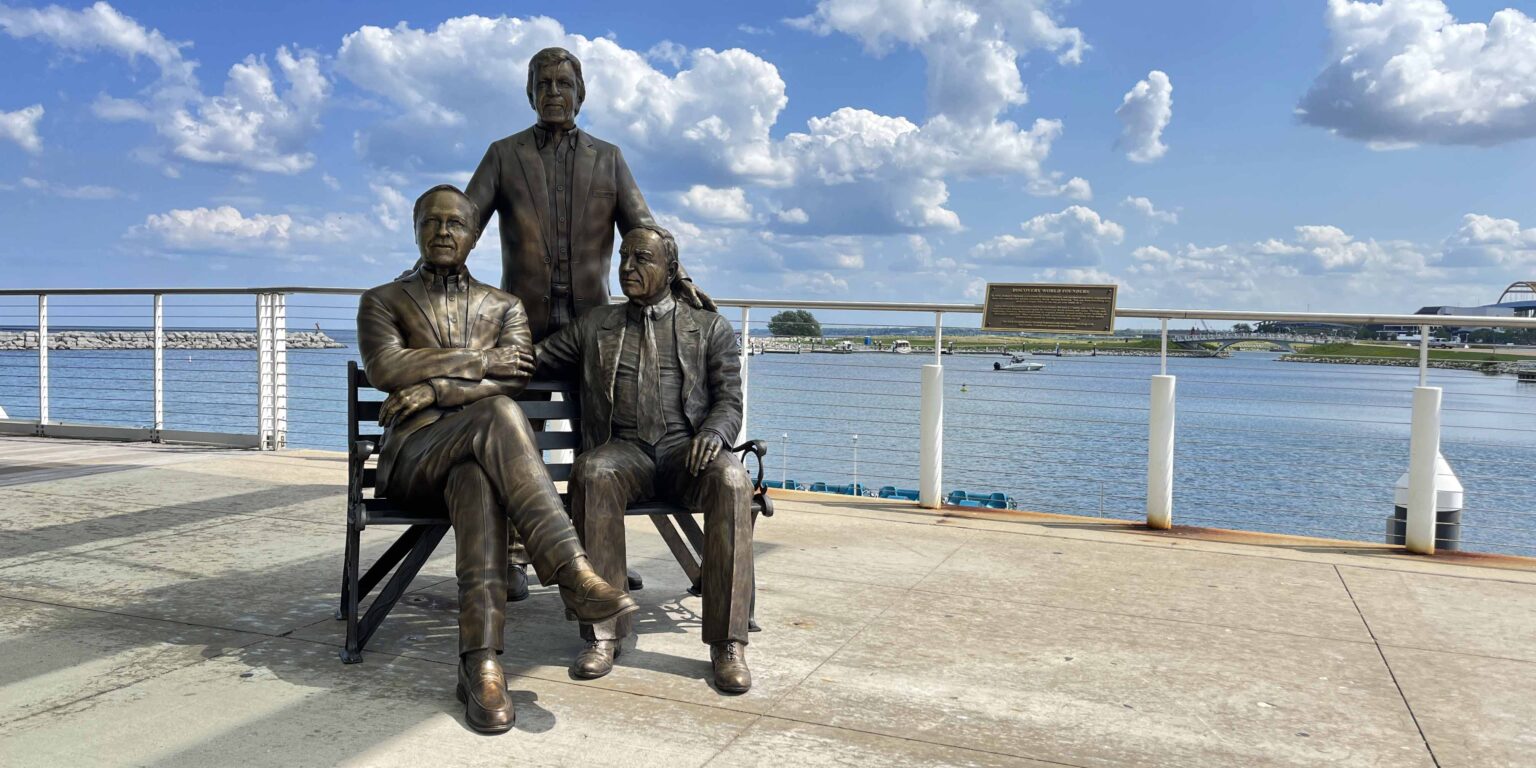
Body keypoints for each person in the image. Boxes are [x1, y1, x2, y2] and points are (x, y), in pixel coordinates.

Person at [357, 184, 638, 733]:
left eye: (455, 224)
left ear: (475, 235)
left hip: (475, 458)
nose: (443, 232)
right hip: (412, 460)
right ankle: (573, 571)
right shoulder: (382, 301)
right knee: (502, 414)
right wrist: (479, 361)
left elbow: (518, 372)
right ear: (415, 229)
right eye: (432, 223)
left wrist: (438, 388)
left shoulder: (505, 306)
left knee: (479, 479)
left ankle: (480, 665)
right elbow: (386, 368)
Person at [463, 47, 708, 600]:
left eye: (564, 83)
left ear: (582, 92)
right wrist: (430, 272)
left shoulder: (609, 158)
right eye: (543, 83)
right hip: (522, 329)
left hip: (596, 329)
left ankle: (596, 552)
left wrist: (682, 277)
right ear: (530, 93)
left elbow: (644, 227)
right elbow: (466, 221)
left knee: (596, 443)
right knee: (515, 439)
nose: (554, 92)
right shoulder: (503, 155)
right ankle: (515, 554)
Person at [535, 225, 755, 693]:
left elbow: (729, 401)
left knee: (734, 480)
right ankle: (603, 634)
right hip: (625, 451)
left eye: (642, 259)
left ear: (672, 271)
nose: (628, 268)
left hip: (686, 453)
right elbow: (534, 360)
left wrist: (715, 433)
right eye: (624, 258)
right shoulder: (596, 325)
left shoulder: (709, 327)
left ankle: (728, 642)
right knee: (593, 471)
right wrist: (463, 367)